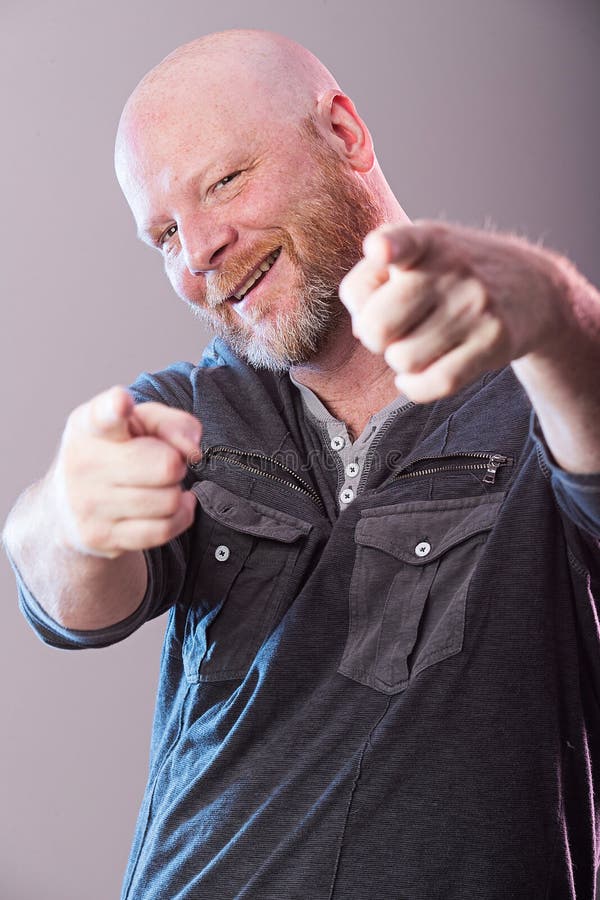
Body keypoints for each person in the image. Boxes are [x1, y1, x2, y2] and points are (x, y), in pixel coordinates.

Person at [4, 28, 600, 900]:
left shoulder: (546, 397)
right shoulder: (189, 412)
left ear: (346, 135)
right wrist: (66, 512)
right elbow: (63, 588)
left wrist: (550, 311)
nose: (199, 251)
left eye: (225, 181)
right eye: (163, 234)